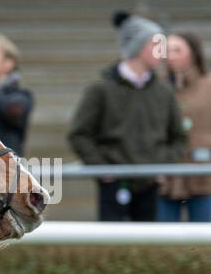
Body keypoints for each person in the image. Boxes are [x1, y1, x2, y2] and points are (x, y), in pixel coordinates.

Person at [68, 12, 188, 222]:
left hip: (151, 185)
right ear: (137, 47)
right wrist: (102, 169)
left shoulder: (164, 92)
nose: (162, 52)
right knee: (111, 245)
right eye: (155, 44)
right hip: (113, 184)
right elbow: (79, 134)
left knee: (149, 245)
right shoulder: (101, 90)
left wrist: (163, 166)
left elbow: (178, 137)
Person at [159, 32, 211, 222]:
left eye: (177, 50)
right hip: (167, 178)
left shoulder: (208, 86)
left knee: (204, 242)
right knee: (162, 243)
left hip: (204, 177)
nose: (170, 56)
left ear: (194, 53)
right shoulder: (159, 88)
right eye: (167, 50)